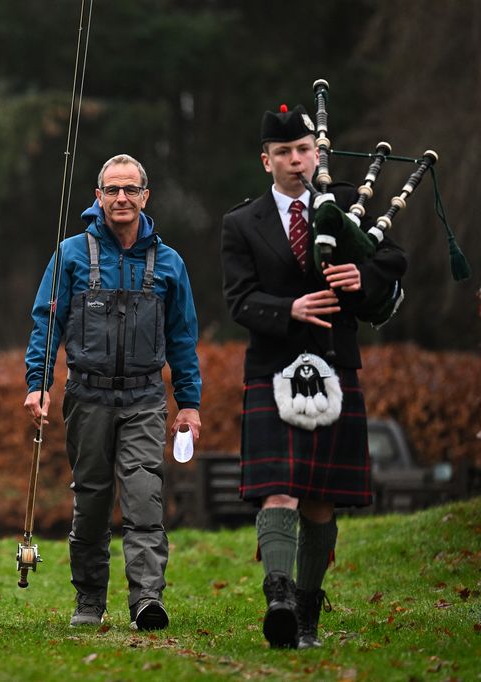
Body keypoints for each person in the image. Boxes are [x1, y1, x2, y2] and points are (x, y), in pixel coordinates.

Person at [220, 105, 407, 649]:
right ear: (266, 160)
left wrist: (361, 274)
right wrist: (290, 310)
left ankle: (306, 615)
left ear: (316, 153)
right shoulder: (241, 223)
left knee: (322, 499)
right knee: (278, 492)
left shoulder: (349, 203)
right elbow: (238, 300)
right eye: (283, 152)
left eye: (303, 149)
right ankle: (277, 598)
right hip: (273, 369)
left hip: (337, 364)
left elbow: (393, 262)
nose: (295, 160)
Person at [24, 154, 202, 631]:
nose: (120, 198)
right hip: (87, 398)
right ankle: (88, 599)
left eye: (130, 190)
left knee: (144, 497)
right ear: (97, 196)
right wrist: (37, 385)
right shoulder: (71, 255)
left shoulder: (169, 263)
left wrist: (189, 404)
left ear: (146, 196)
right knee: (92, 502)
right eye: (111, 190)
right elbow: (47, 321)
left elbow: (184, 339)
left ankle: (147, 598)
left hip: (145, 399)